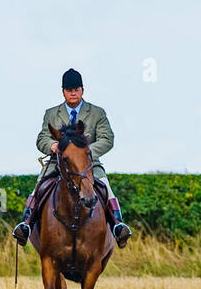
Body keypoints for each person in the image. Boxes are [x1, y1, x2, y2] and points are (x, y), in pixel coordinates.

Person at [12, 68, 132, 247]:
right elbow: (42, 138)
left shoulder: (97, 113)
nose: (73, 93)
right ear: (63, 92)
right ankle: (26, 225)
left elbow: (107, 139)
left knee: (106, 187)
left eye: (76, 89)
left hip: (89, 165)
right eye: (69, 90)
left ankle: (118, 226)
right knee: (38, 188)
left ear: (82, 90)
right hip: (57, 164)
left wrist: (83, 153)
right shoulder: (51, 114)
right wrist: (51, 145)